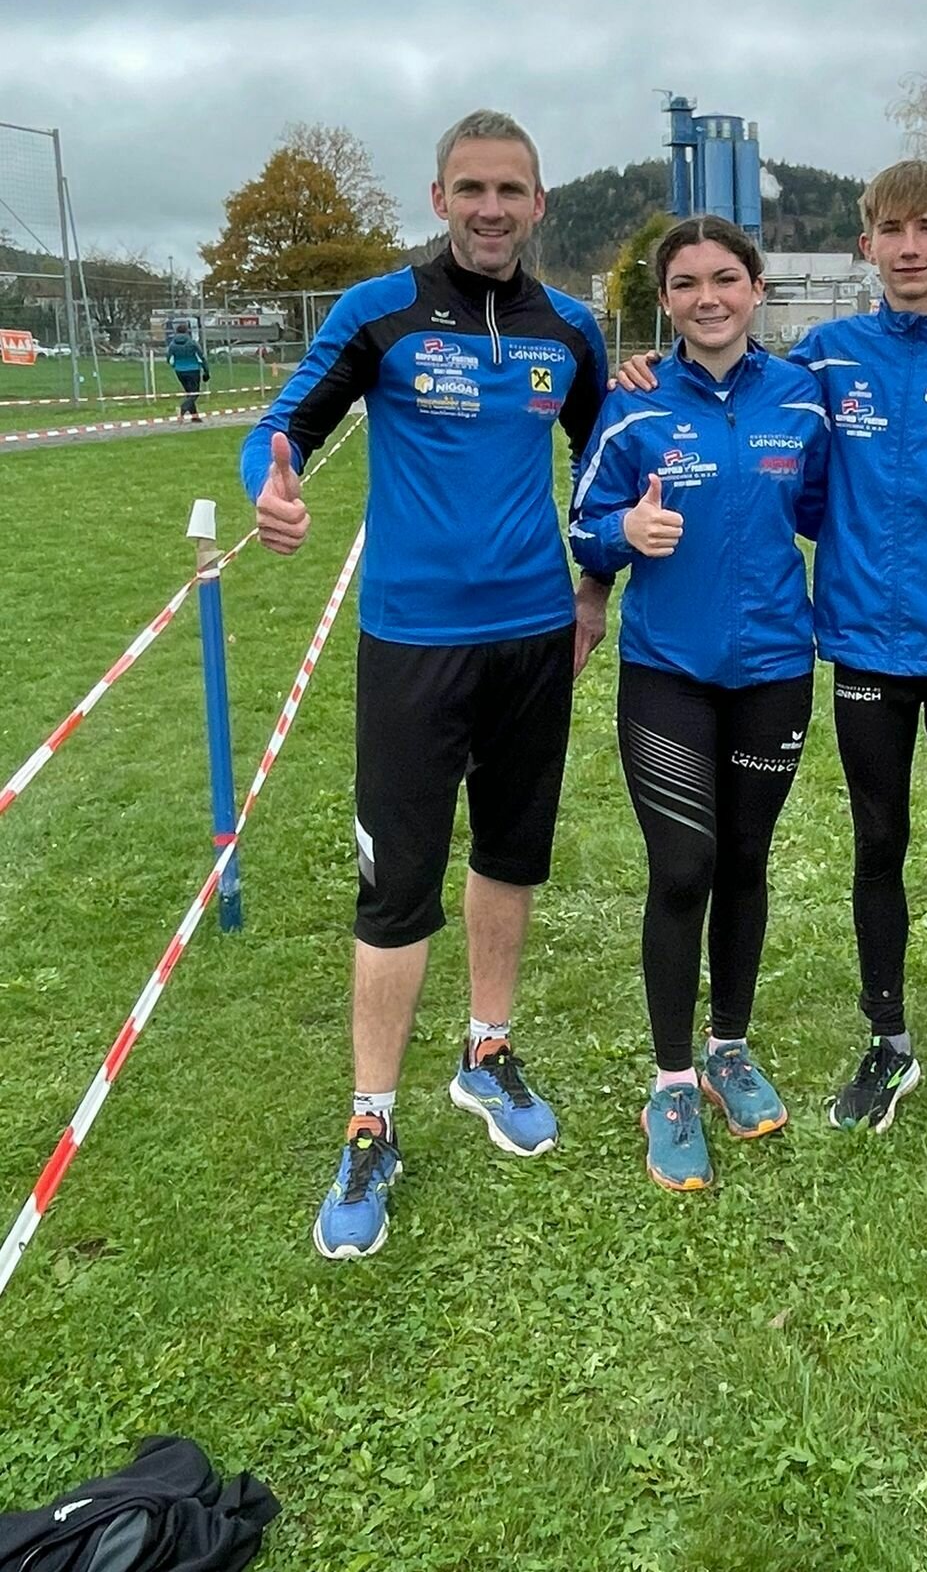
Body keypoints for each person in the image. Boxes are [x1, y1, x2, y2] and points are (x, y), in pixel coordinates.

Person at [614, 162, 927, 1135]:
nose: (909, 245)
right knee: (878, 841)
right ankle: (887, 1039)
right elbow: (761, 426)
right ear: (866, 244)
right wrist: (643, 367)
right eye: (890, 228)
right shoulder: (826, 359)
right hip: (860, 644)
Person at [240, 109, 612, 1259]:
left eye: (512, 189)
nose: (491, 208)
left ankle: (486, 1049)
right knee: (396, 885)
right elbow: (283, 424)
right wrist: (273, 484)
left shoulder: (574, 329)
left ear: (538, 203)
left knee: (510, 853)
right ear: (441, 195)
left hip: (534, 641)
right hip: (413, 644)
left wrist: (593, 592)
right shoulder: (380, 313)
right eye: (471, 188)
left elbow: (604, 466)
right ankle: (372, 1118)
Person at [570, 216, 829, 1192]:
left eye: (726, 278)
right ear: (665, 300)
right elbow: (585, 527)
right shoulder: (634, 406)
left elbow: (828, 508)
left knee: (749, 860)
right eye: (686, 283)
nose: (707, 296)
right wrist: (623, 530)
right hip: (669, 672)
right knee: (686, 865)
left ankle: (729, 1047)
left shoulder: (801, 400)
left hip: (773, 670)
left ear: (756, 289)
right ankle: (672, 1078)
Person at [165, 323, 210, 420]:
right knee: (195, 393)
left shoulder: (172, 345)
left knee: (189, 393)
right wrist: (206, 371)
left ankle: (194, 416)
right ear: (187, 331)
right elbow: (201, 357)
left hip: (179, 371)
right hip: (193, 369)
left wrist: (174, 365)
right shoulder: (192, 343)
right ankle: (183, 408)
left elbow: (169, 358)